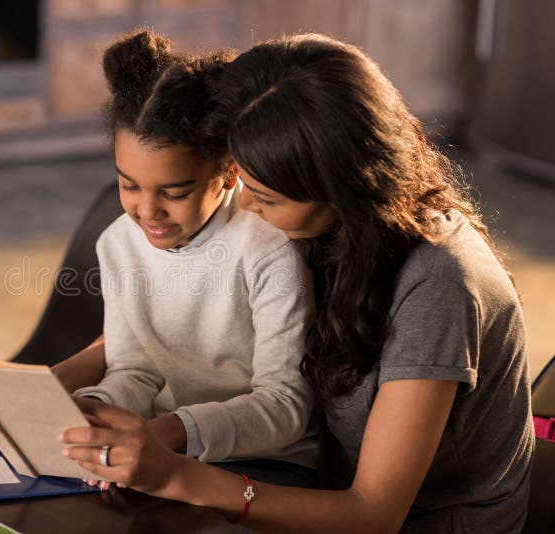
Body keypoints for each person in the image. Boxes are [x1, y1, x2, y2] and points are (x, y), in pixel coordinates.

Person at [61, 33, 534, 532]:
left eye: (263, 195)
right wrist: (49, 387)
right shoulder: (324, 224)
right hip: (314, 490)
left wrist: (177, 475)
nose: (244, 207)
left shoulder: (438, 283)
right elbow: (165, 329)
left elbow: (373, 515)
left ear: (340, 185)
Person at [57, 29, 319, 489]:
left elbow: (284, 406)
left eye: (174, 193)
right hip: (166, 444)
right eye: (128, 185)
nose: (147, 211)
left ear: (229, 171)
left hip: (268, 465)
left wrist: (170, 433)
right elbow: (135, 368)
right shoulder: (119, 244)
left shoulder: (268, 249)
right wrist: (95, 411)